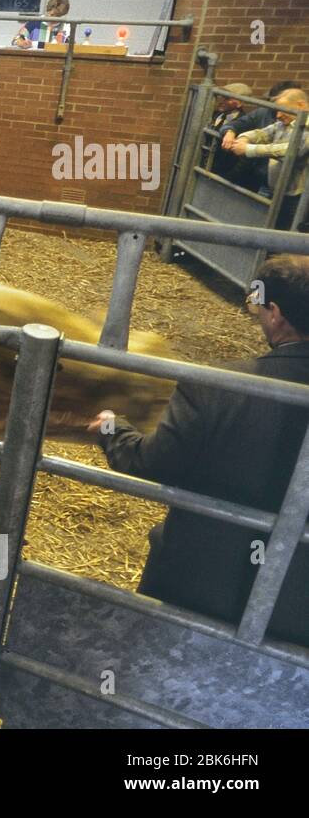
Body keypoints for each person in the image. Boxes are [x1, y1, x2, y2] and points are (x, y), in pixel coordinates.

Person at [90, 255, 309, 647]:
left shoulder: (214, 386)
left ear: (275, 314)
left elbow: (152, 461)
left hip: (198, 589)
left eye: (258, 304)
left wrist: (112, 429)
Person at [224, 88, 309, 221]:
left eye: (283, 110)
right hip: (275, 189)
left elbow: (291, 150)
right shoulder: (284, 124)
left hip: (295, 196)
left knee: (285, 232)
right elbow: (262, 133)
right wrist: (244, 138)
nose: (278, 115)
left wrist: (248, 149)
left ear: (301, 105)